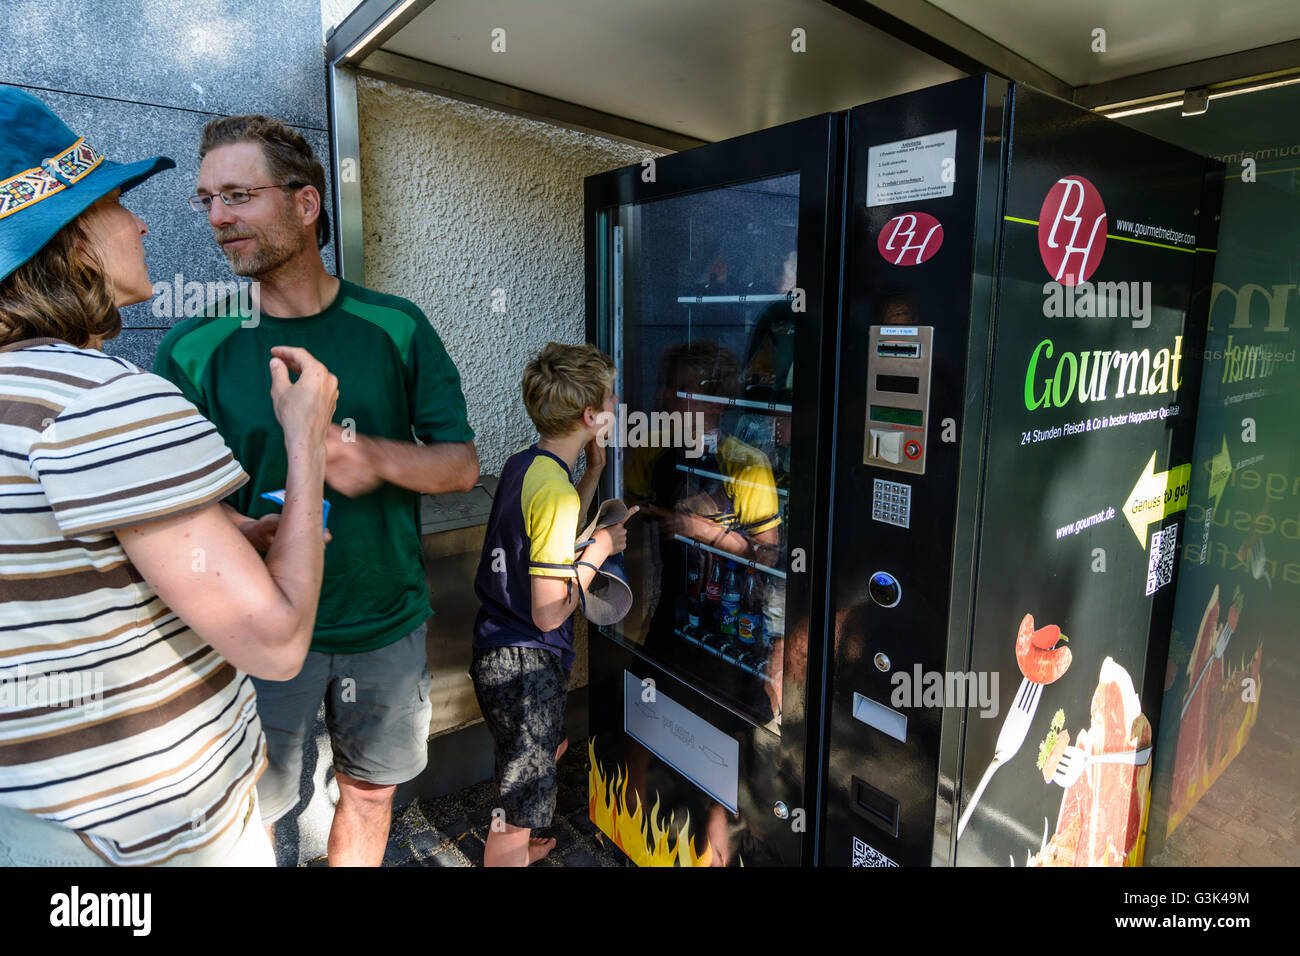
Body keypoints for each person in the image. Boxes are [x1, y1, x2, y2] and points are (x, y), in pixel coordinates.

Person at [0, 88, 337, 866]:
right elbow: (277, 643)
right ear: (69, 240)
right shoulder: (105, 400)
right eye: (117, 204)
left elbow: (60, 568)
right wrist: (308, 442)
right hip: (153, 836)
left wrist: (224, 536)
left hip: (36, 819)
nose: (143, 224)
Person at [152, 114, 478, 866]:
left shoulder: (395, 326)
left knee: (370, 793)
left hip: (384, 618)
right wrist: (238, 527)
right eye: (207, 200)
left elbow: (460, 466)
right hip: (256, 629)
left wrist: (367, 455)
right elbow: (174, 511)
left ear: (306, 204)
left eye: (238, 195)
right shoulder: (193, 349)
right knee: (250, 809)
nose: (218, 217)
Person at [471, 342, 633, 866]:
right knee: (520, 802)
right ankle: (508, 854)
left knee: (537, 754)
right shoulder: (555, 493)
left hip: (495, 646)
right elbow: (548, 611)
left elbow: (551, 532)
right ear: (590, 416)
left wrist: (592, 473)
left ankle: (516, 846)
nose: (616, 403)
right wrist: (601, 550)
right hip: (528, 661)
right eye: (610, 397)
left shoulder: (528, 466)